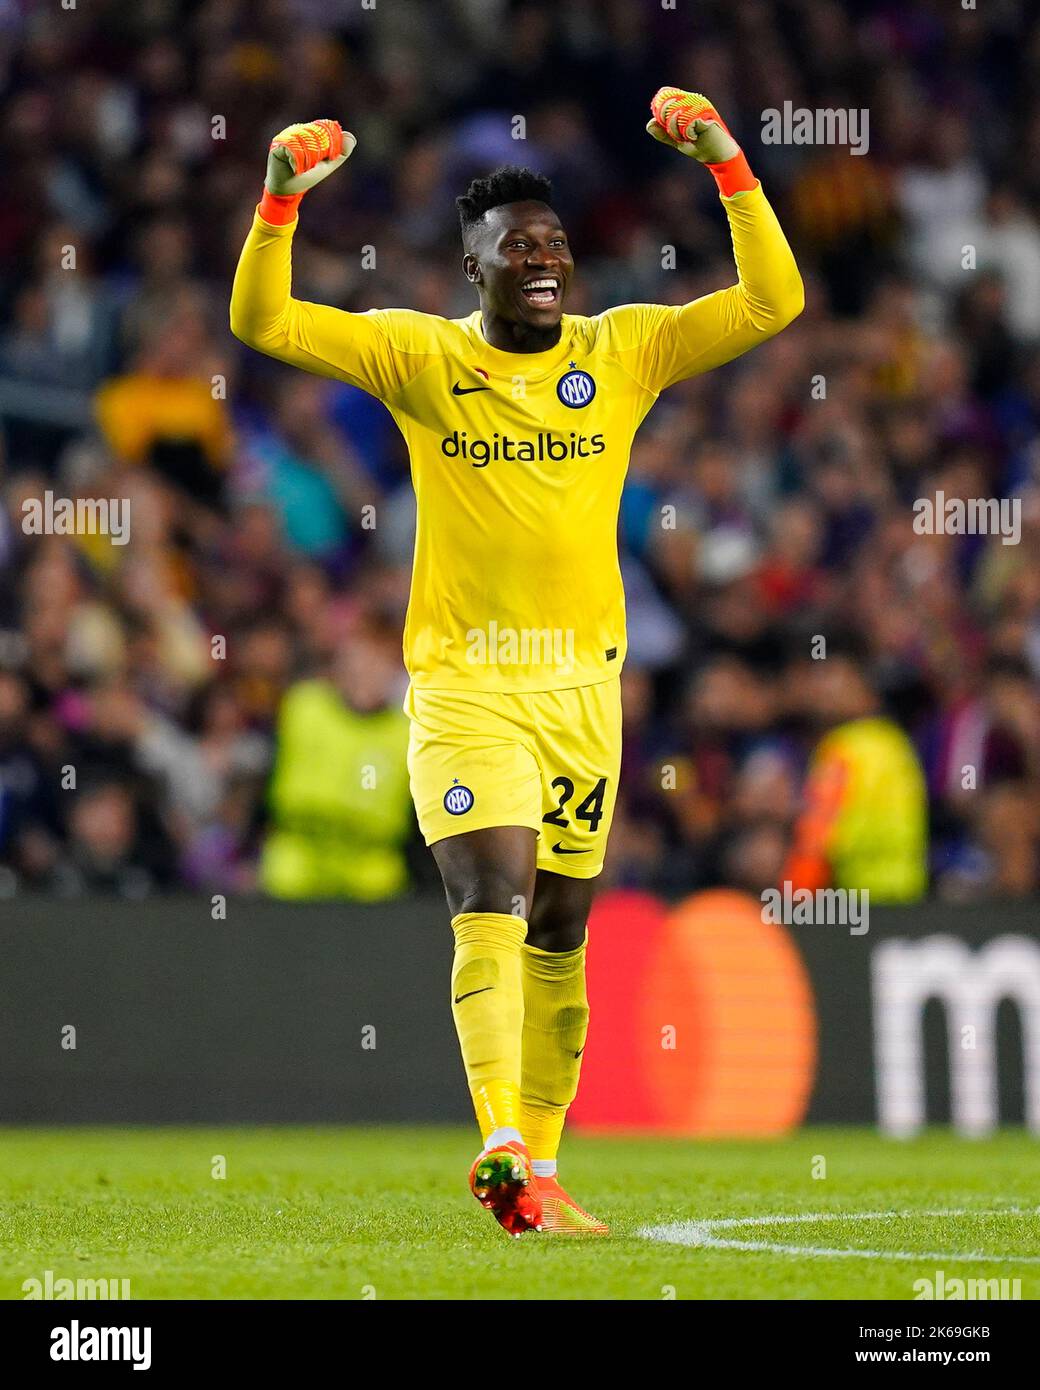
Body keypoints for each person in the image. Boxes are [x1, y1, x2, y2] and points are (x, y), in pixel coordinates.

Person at [230, 92, 804, 1237]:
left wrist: (727, 163)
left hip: (583, 695)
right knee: (487, 899)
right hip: (464, 684)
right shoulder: (422, 355)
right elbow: (265, 321)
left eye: (552, 244)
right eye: (515, 247)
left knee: (559, 930)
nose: (542, 259)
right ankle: (496, 1132)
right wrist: (280, 200)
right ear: (472, 268)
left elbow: (772, 301)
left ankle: (535, 1171)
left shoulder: (624, 347)